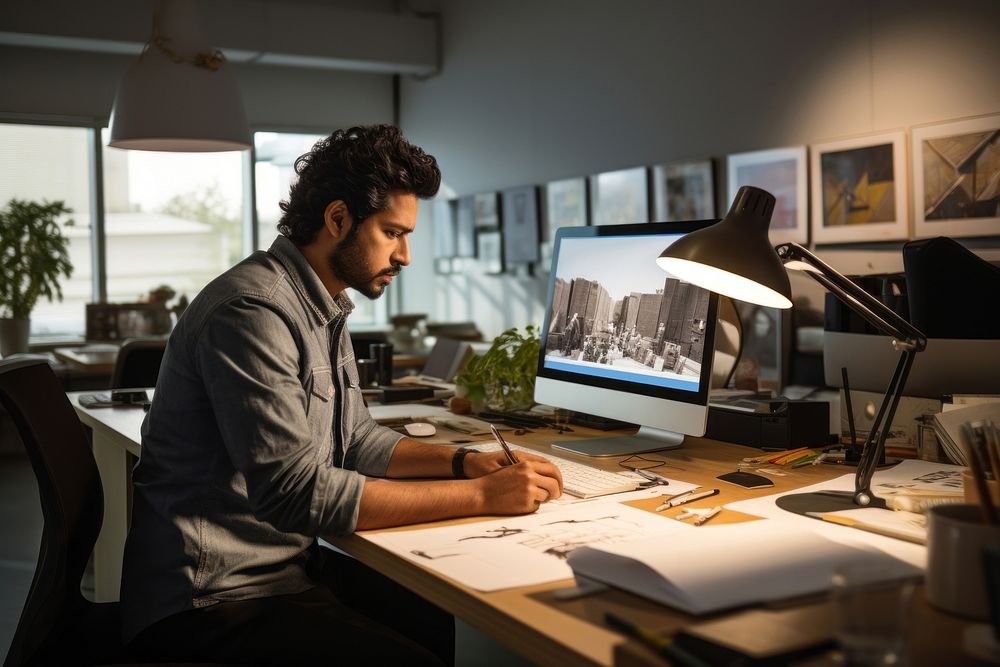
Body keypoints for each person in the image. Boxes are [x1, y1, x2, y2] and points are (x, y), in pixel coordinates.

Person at [120, 125, 563, 665]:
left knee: (428, 614)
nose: (405, 256)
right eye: (393, 233)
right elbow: (294, 493)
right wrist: (483, 499)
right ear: (337, 219)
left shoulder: (322, 305)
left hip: (279, 570)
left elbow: (355, 439)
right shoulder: (253, 311)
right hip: (209, 597)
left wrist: (465, 463)